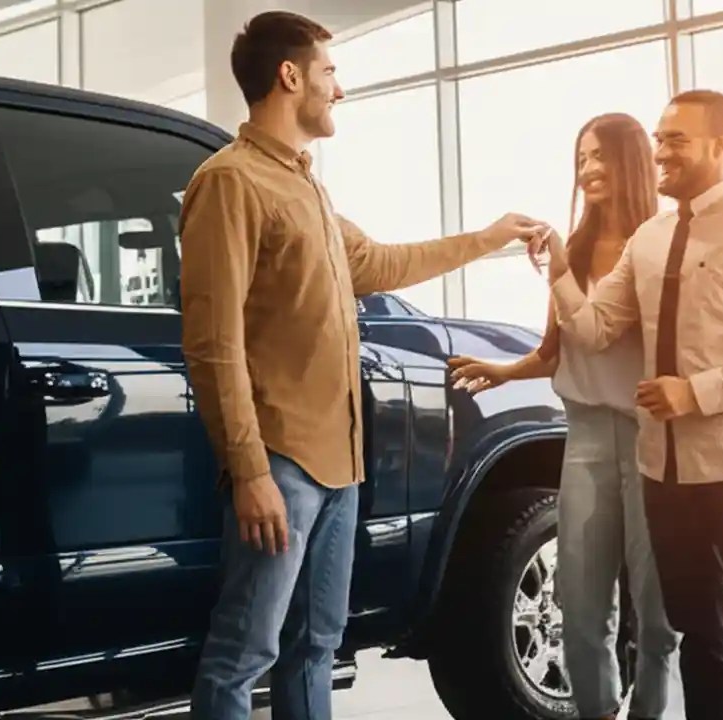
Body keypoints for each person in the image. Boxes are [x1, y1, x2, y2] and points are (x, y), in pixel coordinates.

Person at [178, 11, 548, 720]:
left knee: (317, 644)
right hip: (282, 462)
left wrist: (490, 236)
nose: (337, 90)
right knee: (242, 651)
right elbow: (213, 341)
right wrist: (250, 470)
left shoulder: (308, 189)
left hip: (340, 467)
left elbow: (379, 264)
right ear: (290, 77)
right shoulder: (230, 182)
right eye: (329, 73)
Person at [537, 90, 723, 720]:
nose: (661, 151)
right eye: (659, 139)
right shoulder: (650, 237)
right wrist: (559, 269)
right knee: (698, 633)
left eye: (677, 140)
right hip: (664, 472)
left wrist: (695, 393)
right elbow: (591, 331)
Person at [448, 113, 678, 720]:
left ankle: (649, 713)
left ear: (630, 161)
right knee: (579, 604)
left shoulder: (656, 244)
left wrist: (558, 273)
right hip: (584, 439)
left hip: (652, 439)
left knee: (656, 611)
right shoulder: (573, 249)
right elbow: (558, 350)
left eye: (601, 155)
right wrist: (502, 372)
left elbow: (601, 333)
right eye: (581, 158)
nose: (589, 168)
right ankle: (599, 711)